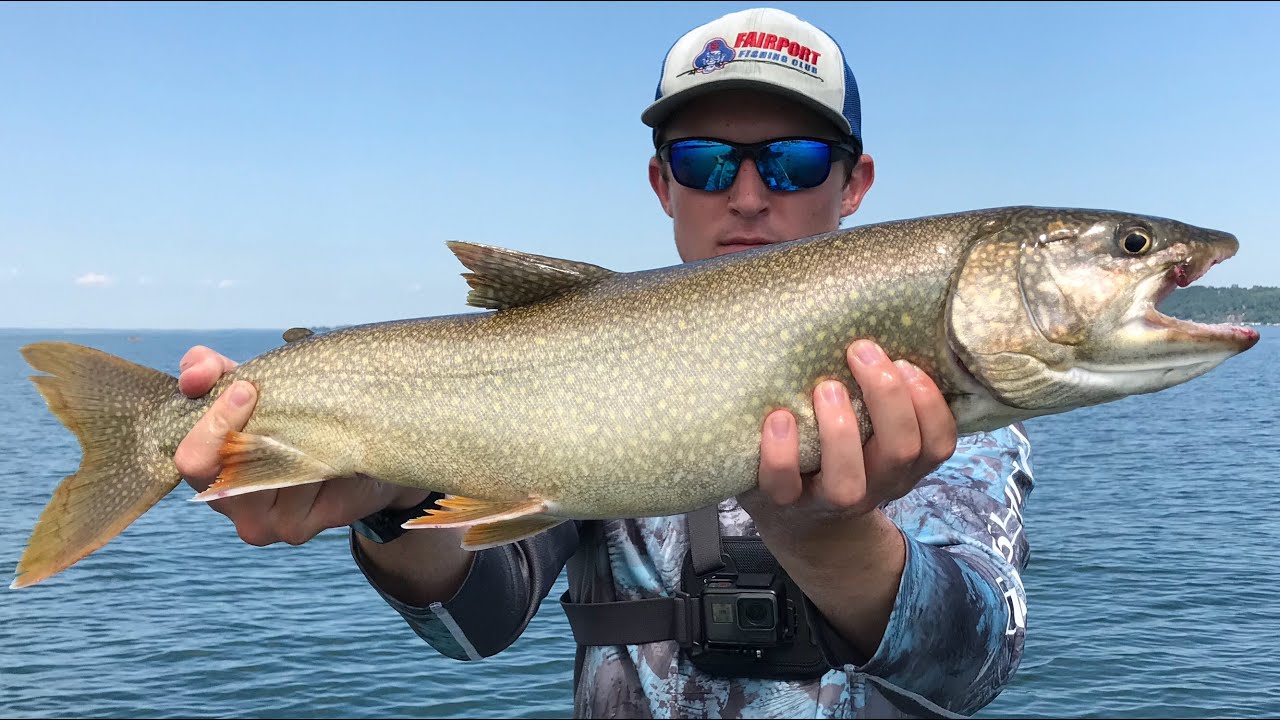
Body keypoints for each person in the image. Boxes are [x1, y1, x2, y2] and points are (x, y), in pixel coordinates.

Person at [172, 8, 1034, 718]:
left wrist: (831, 540)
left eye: (792, 160)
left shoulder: (939, 392)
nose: (746, 192)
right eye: (703, 161)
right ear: (662, 184)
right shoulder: (586, 364)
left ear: (854, 184)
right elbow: (472, 625)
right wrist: (391, 505)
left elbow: (973, 662)